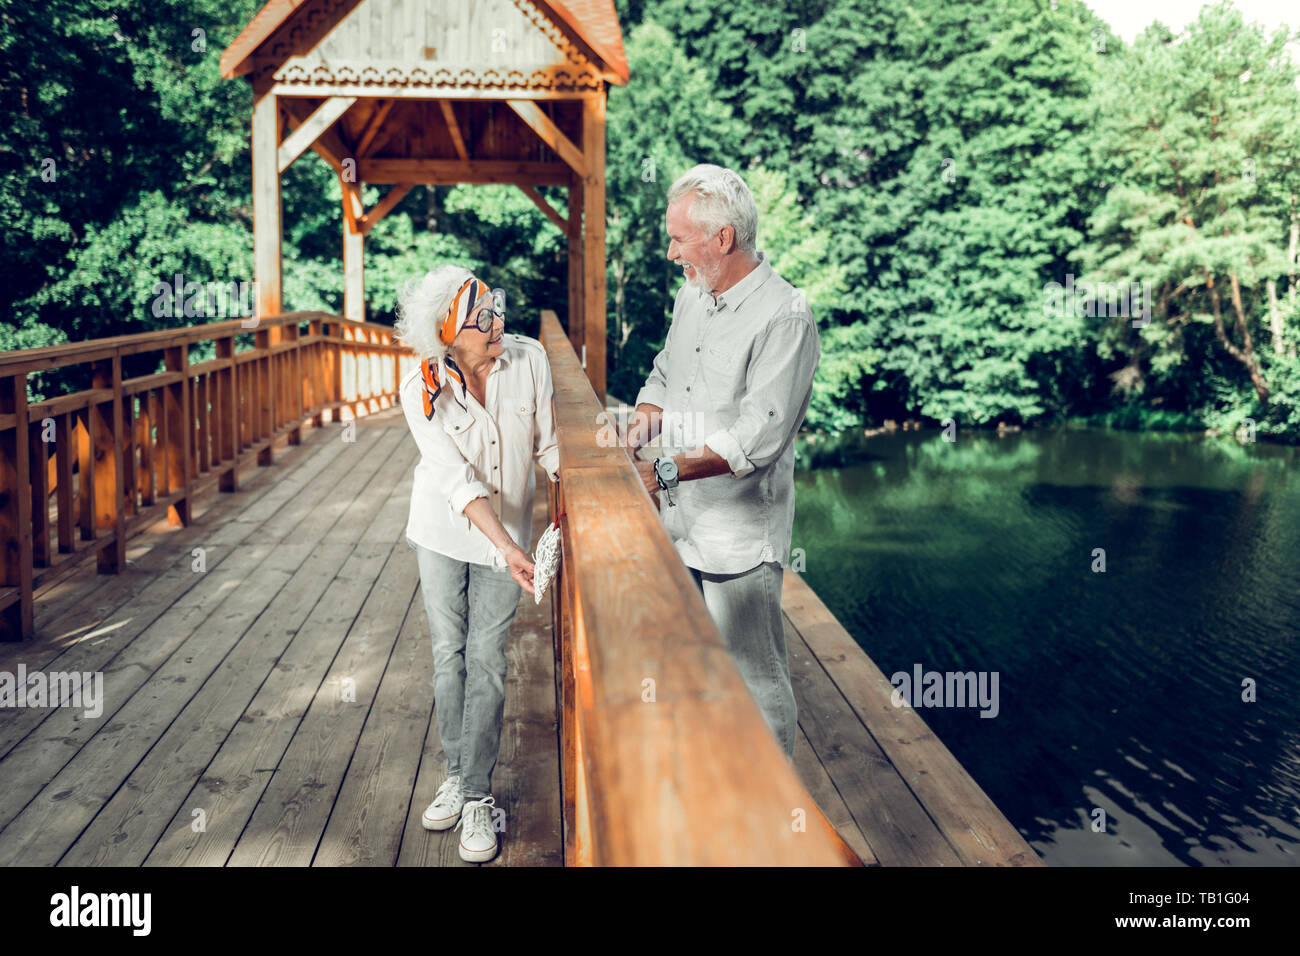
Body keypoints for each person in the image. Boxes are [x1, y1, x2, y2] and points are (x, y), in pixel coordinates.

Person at [621, 164, 820, 761]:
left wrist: (662, 472)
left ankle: (775, 819)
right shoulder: (692, 294)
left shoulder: (785, 316)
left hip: (737, 539)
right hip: (678, 526)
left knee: (756, 681)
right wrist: (639, 426)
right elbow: (665, 369)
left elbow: (753, 442)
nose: (670, 250)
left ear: (722, 239)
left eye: (679, 238)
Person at [395, 264, 559, 863]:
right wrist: (509, 547)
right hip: (443, 531)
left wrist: (579, 488)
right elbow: (456, 482)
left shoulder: (531, 359)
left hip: (508, 533)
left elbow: (549, 446)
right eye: (482, 317)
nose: (498, 323)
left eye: (498, 308)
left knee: (486, 660)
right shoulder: (419, 386)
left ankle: (477, 795)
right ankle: (458, 777)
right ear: (448, 333)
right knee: (449, 656)